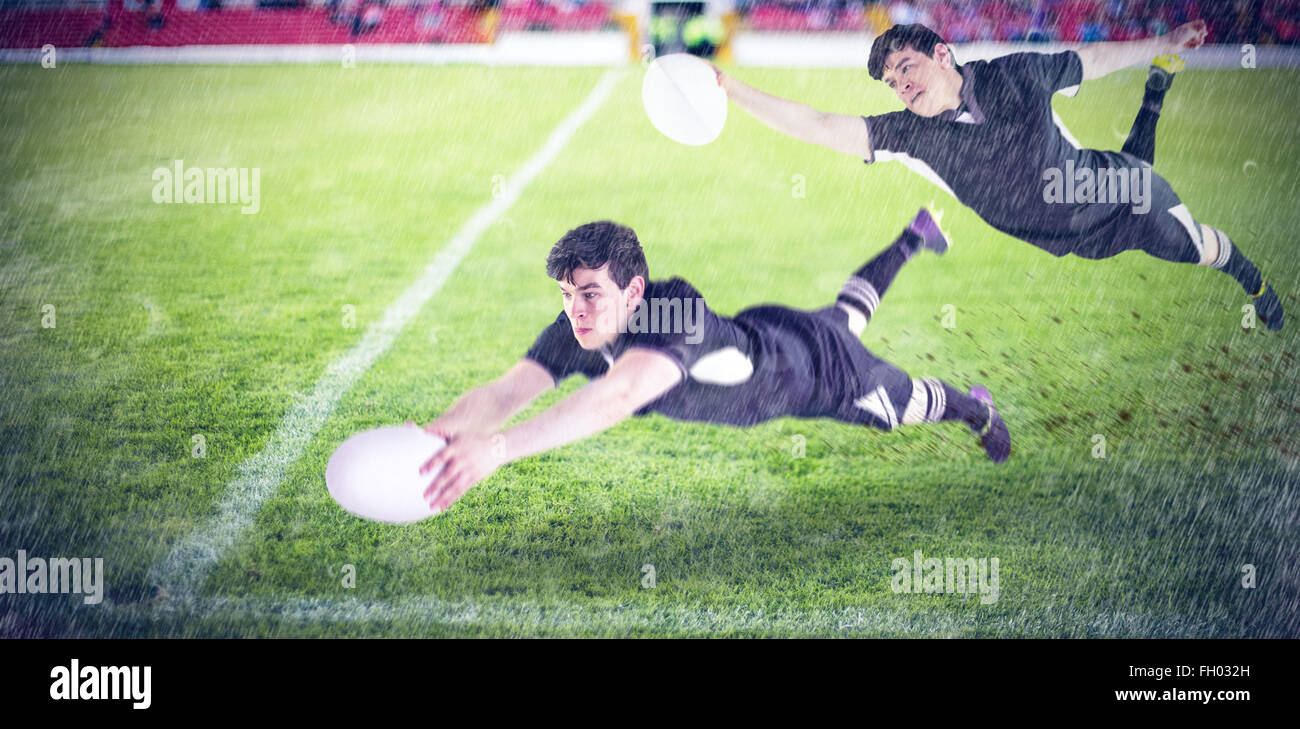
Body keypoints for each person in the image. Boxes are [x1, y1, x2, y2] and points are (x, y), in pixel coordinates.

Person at [414, 211, 1011, 513]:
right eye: (567, 295)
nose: (575, 311)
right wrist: (437, 434)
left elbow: (621, 396)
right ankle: (912, 236)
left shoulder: (675, 312)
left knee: (900, 403)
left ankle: (976, 409)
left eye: (589, 293)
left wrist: (495, 451)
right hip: (772, 333)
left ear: (636, 291)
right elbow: (505, 392)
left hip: (823, 375)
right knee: (845, 315)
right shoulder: (583, 328)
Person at [711, 20, 1285, 331]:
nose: (901, 85)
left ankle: (1255, 283)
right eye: (890, 81)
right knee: (1139, 165)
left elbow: (1094, 61)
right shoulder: (910, 135)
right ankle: (1159, 89)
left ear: (942, 54)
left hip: (1118, 199)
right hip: (1069, 241)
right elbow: (817, 124)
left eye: (905, 68)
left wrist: (1163, 41)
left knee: (1192, 243)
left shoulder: (1017, 75)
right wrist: (733, 91)